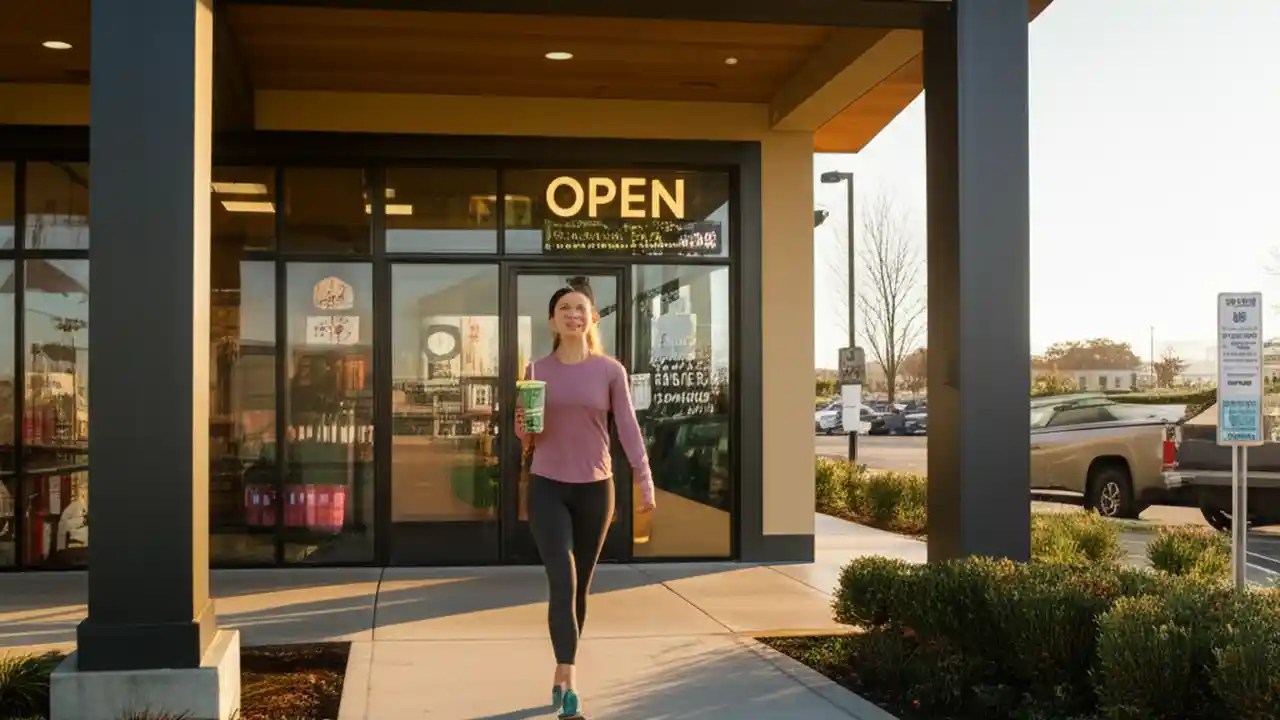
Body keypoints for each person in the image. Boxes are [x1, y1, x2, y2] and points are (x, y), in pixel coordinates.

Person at [515, 283, 656, 719]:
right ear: (552, 320)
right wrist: (522, 424)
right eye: (564, 308)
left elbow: (628, 429)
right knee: (563, 580)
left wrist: (644, 479)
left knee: (581, 588)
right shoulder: (535, 370)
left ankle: (560, 675)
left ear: (593, 318)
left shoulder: (609, 370)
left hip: (597, 488)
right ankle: (570, 678)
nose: (573, 314)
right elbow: (529, 438)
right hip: (547, 487)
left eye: (580, 308)